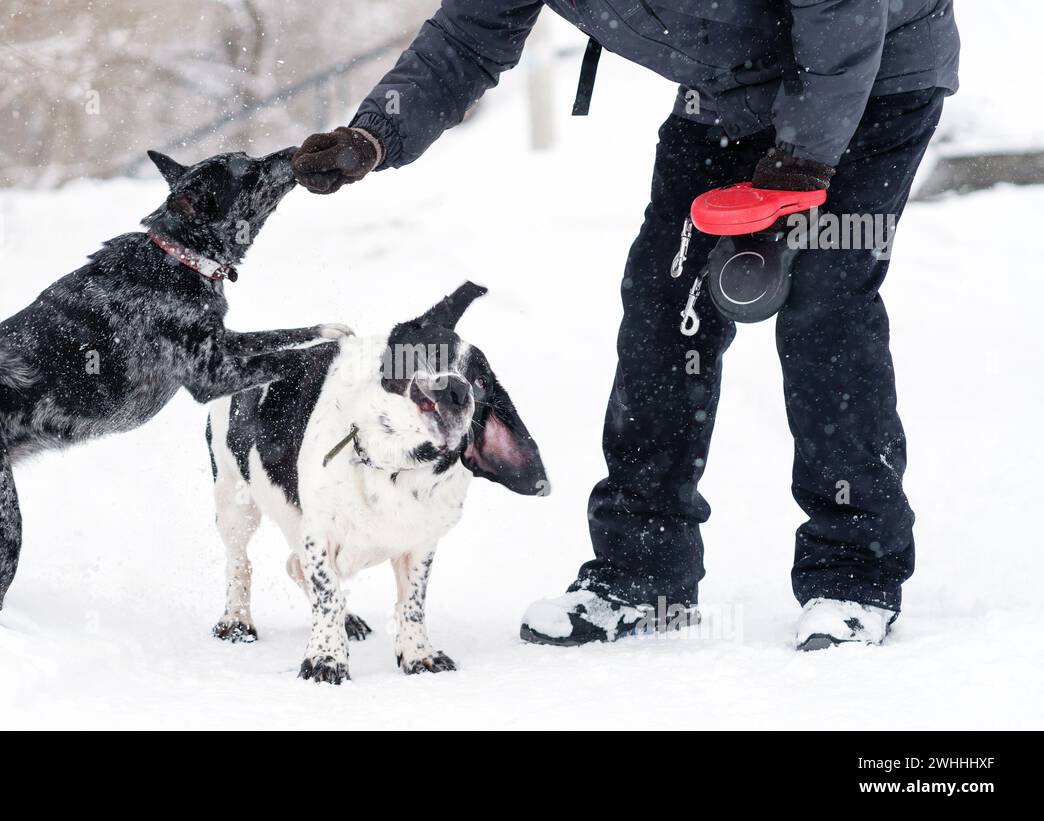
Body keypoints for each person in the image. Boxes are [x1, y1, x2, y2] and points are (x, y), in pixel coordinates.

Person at [290, 1, 959, 651]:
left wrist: (807, 153)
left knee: (824, 306)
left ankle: (854, 573)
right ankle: (645, 575)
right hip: (731, 92)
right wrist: (374, 134)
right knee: (662, 308)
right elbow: (467, 39)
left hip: (873, 75)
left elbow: (841, 7)